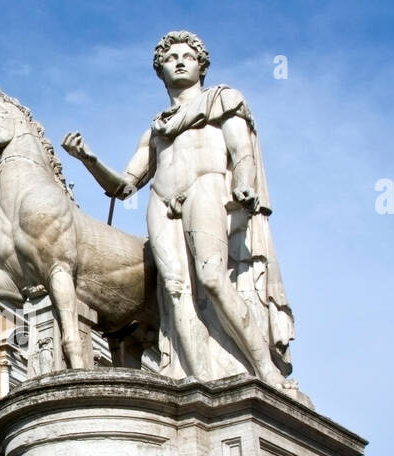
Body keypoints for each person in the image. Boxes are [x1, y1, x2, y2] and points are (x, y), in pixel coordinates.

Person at [62, 31, 295, 387]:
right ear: (161, 71)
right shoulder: (157, 129)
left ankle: (265, 371)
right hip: (161, 199)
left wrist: (244, 182)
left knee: (213, 279)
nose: (180, 61)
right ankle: (198, 381)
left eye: (188, 56)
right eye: (171, 58)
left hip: (207, 186)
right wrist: (88, 158)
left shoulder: (222, 99)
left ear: (202, 65)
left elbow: (241, 151)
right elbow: (124, 186)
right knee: (173, 290)